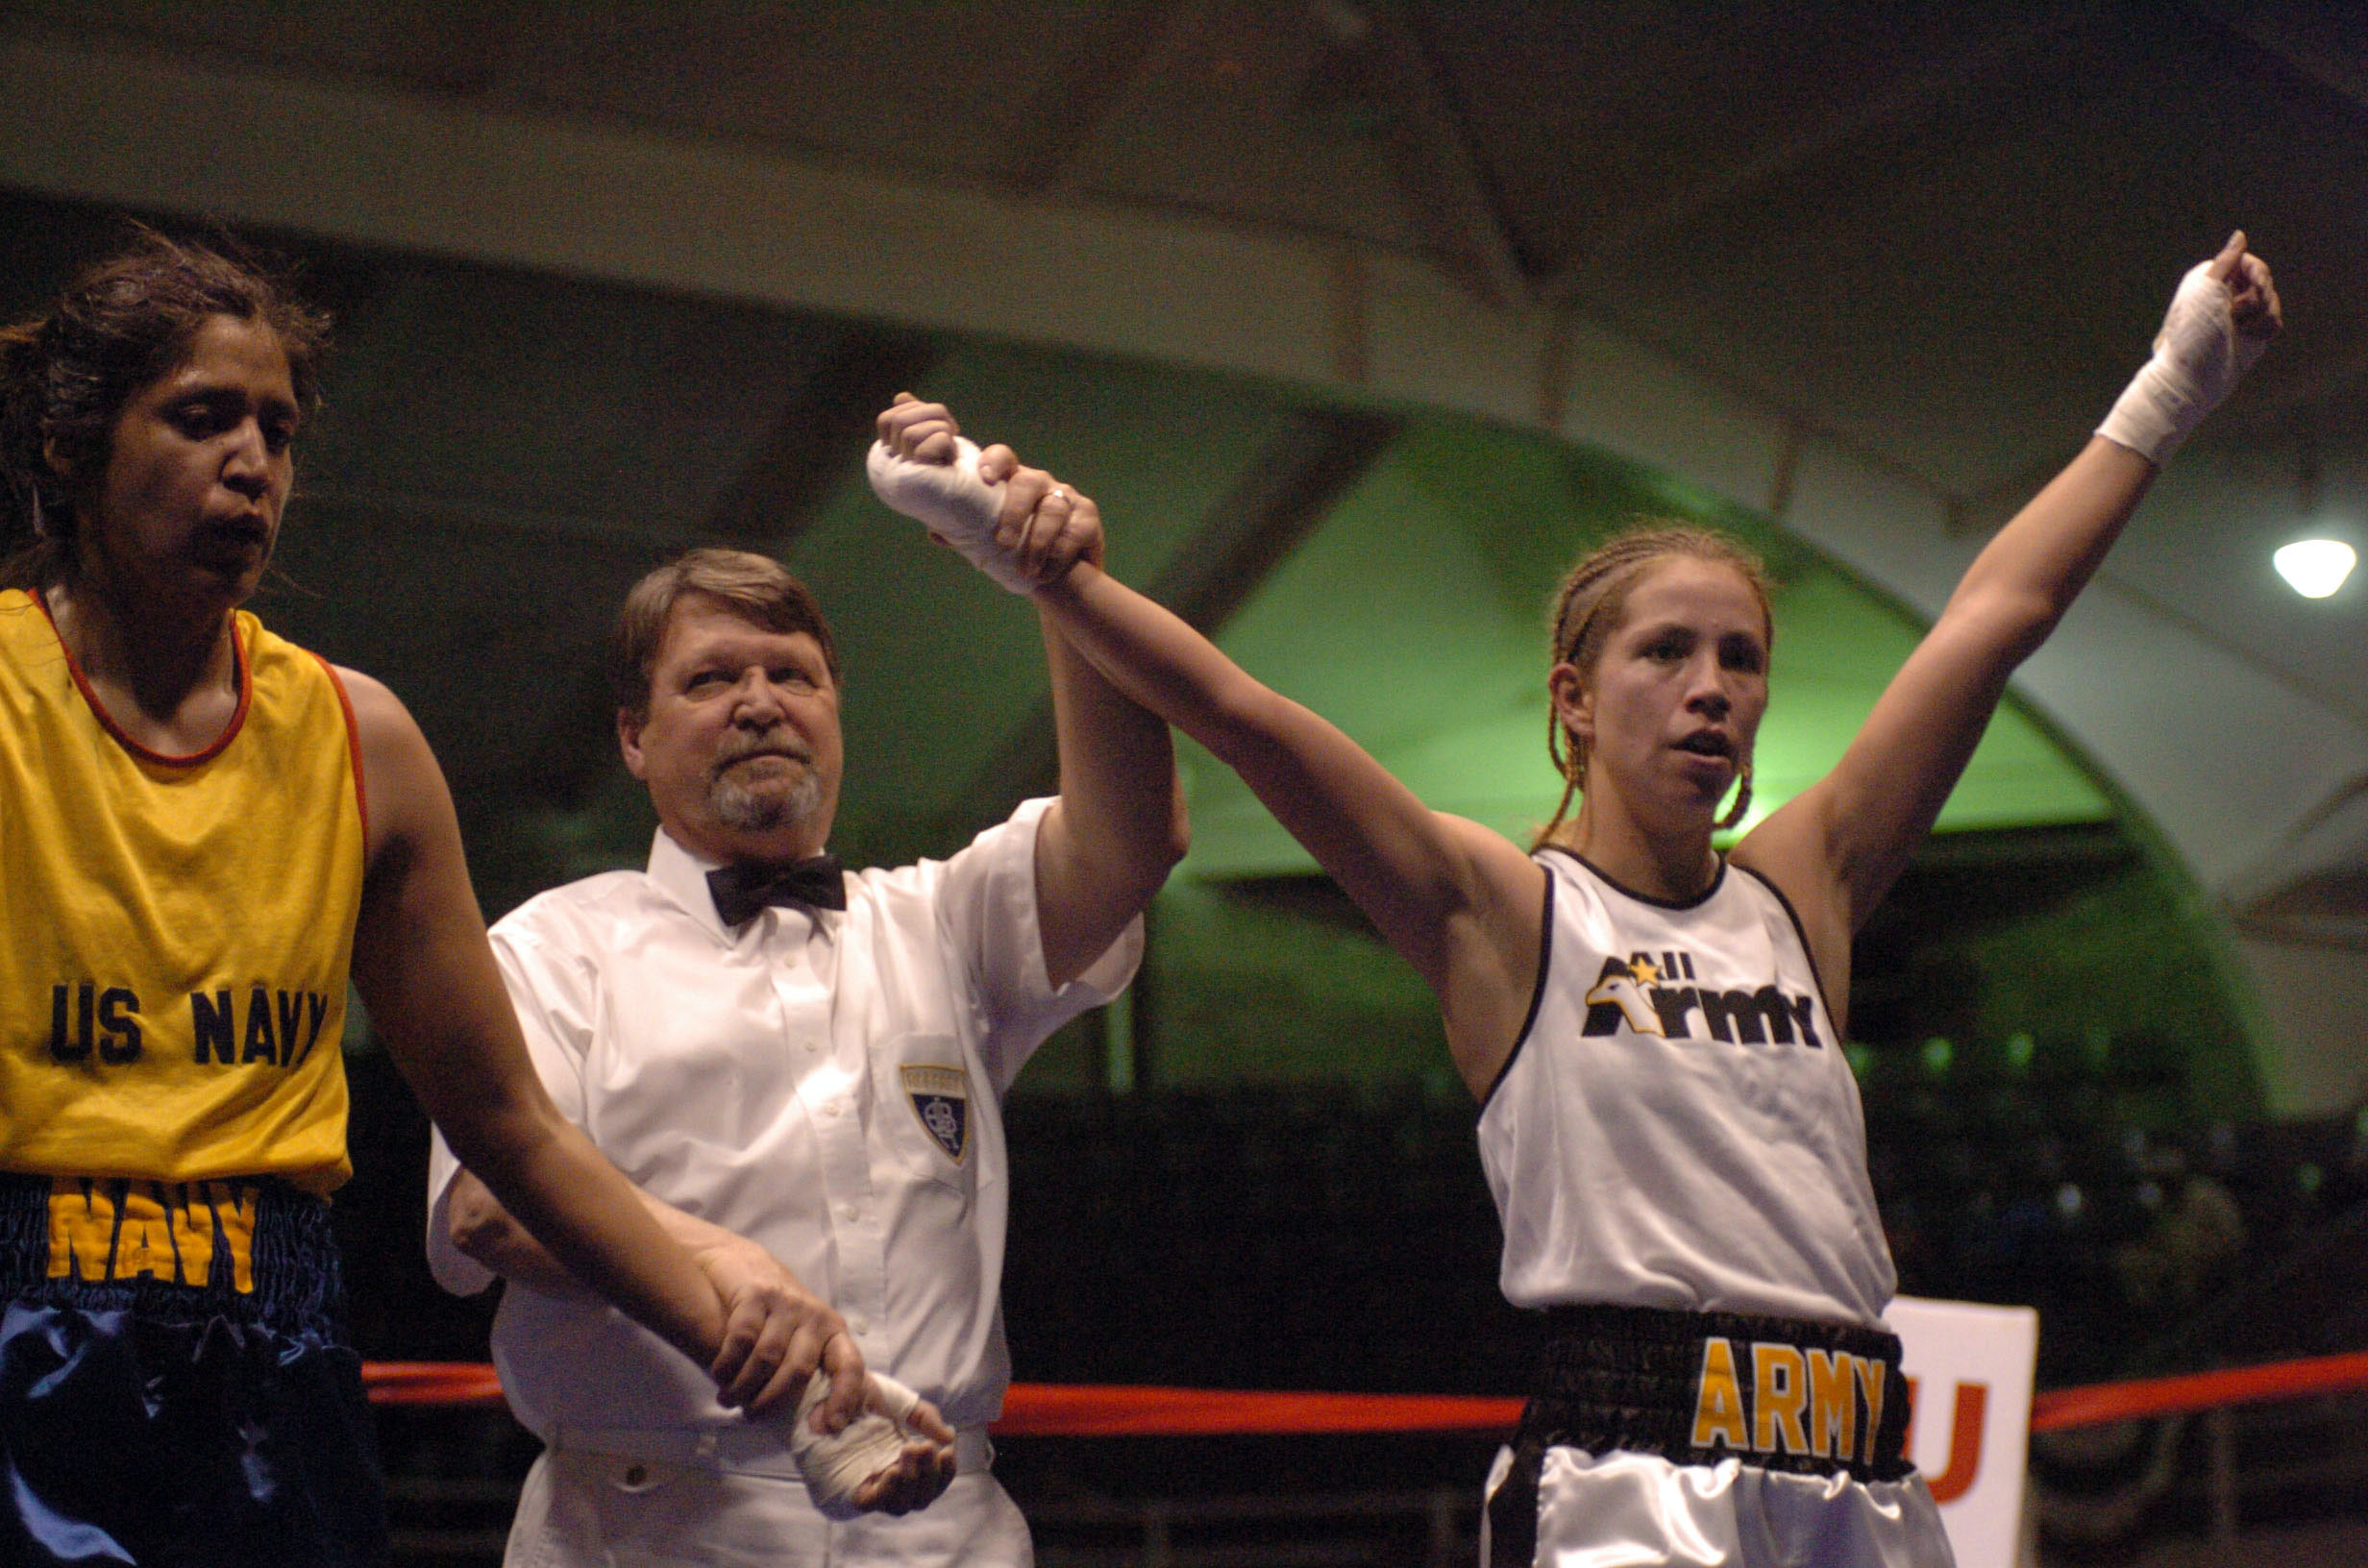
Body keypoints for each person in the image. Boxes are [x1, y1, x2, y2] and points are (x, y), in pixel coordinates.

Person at [872, 233, 2281, 1567]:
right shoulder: (1504, 910)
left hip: (1861, 1472)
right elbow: (1248, 718)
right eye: (1665, 652)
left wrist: (2170, 387)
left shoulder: (1804, 885)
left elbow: (1993, 617)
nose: (1710, 687)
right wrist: (1033, 563)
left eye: (1739, 658)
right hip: (1634, 1476)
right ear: (1575, 698)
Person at [0, 230, 837, 1567]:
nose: (251, 463)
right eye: (202, 418)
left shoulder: (360, 739)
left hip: (273, 1353)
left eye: (277, 430)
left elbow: (512, 1126)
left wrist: (744, 1338)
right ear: (73, 445)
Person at [427, 539, 1183, 1564]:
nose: (759, 703)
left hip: (943, 1524)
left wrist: (1061, 584)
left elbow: (1135, 840)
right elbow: (489, 1206)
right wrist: (718, 1262)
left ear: (834, 712)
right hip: (656, 1525)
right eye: (711, 679)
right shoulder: (553, 950)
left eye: (792, 674)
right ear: (634, 737)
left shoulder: (942, 924)